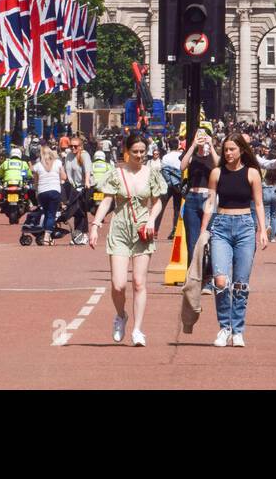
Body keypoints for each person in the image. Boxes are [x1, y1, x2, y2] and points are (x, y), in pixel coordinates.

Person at [89, 132, 167, 346]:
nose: (140, 155)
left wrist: (152, 219)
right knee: (118, 285)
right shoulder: (117, 173)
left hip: (143, 230)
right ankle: (121, 315)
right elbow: (106, 202)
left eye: (143, 151)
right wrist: (96, 225)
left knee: (139, 283)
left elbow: (157, 201)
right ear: (127, 151)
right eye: (135, 152)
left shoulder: (151, 173)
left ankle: (138, 330)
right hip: (120, 229)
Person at [203, 134, 268, 347]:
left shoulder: (252, 174)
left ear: (241, 150)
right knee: (220, 281)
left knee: (240, 283)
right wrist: (204, 230)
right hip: (221, 226)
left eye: (232, 149)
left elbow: (258, 204)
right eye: (226, 149)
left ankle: (238, 329)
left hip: (245, 227)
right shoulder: (216, 173)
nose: (228, 153)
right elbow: (210, 203)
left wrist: (262, 230)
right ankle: (224, 327)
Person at [180, 129, 220, 258]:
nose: (202, 139)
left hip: (208, 198)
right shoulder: (192, 155)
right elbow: (182, 167)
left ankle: (208, 273)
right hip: (192, 197)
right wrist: (193, 146)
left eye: (205, 136)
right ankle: (193, 273)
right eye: (199, 136)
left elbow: (219, 166)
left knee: (209, 235)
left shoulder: (213, 156)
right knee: (192, 239)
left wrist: (211, 146)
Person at [33, 145, 68, 246]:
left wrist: (36, 192)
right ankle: (46, 237)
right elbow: (64, 177)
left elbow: (36, 181)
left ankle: (48, 236)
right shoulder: (57, 163)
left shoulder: (38, 165)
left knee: (46, 213)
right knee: (51, 214)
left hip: (42, 192)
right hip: (54, 191)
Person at [158, 142, 184, 239]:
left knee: (160, 207)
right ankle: (175, 230)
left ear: (169, 146)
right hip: (177, 185)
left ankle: (155, 230)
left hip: (167, 185)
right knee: (177, 208)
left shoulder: (165, 157)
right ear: (177, 146)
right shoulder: (180, 156)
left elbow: (163, 171)